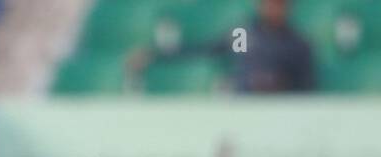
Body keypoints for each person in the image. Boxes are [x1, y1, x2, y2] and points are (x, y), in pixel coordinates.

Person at [128, 0, 315, 93]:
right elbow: (203, 50)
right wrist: (156, 54)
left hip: (277, 111)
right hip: (241, 106)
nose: (273, 7)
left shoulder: (297, 44)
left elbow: (306, 87)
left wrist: (278, 85)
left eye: (279, 4)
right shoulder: (244, 34)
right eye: (269, 3)